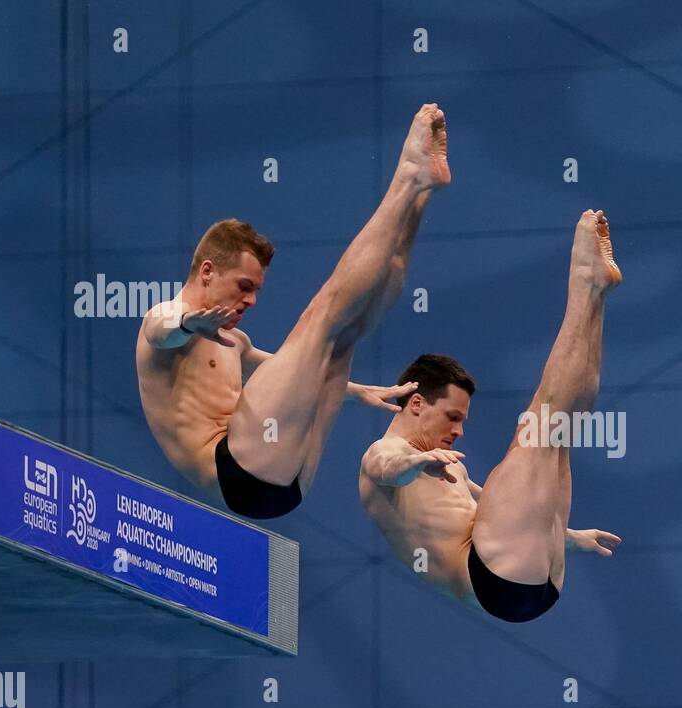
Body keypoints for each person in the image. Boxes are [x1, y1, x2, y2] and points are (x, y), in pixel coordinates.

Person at [136, 103, 450, 519]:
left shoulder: (233, 341)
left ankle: (419, 198)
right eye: (244, 286)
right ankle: (408, 177)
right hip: (237, 472)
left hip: (287, 481)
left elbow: (283, 370)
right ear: (207, 271)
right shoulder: (167, 317)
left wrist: (358, 391)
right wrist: (186, 320)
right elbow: (161, 329)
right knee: (324, 317)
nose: (251, 301)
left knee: (348, 331)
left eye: (257, 290)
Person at [359, 211, 623, 622]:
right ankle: (584, 282)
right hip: (491, 578)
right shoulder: (385, 452)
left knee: (563, 428)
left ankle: (596, 296)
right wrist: (416, 460)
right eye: (451, 416)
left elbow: (507, 511)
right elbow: (387, 468)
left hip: (531, 580)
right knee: (540, 424)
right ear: (415, 402)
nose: (459, 431)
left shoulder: (448, 470)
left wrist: (572, 539)